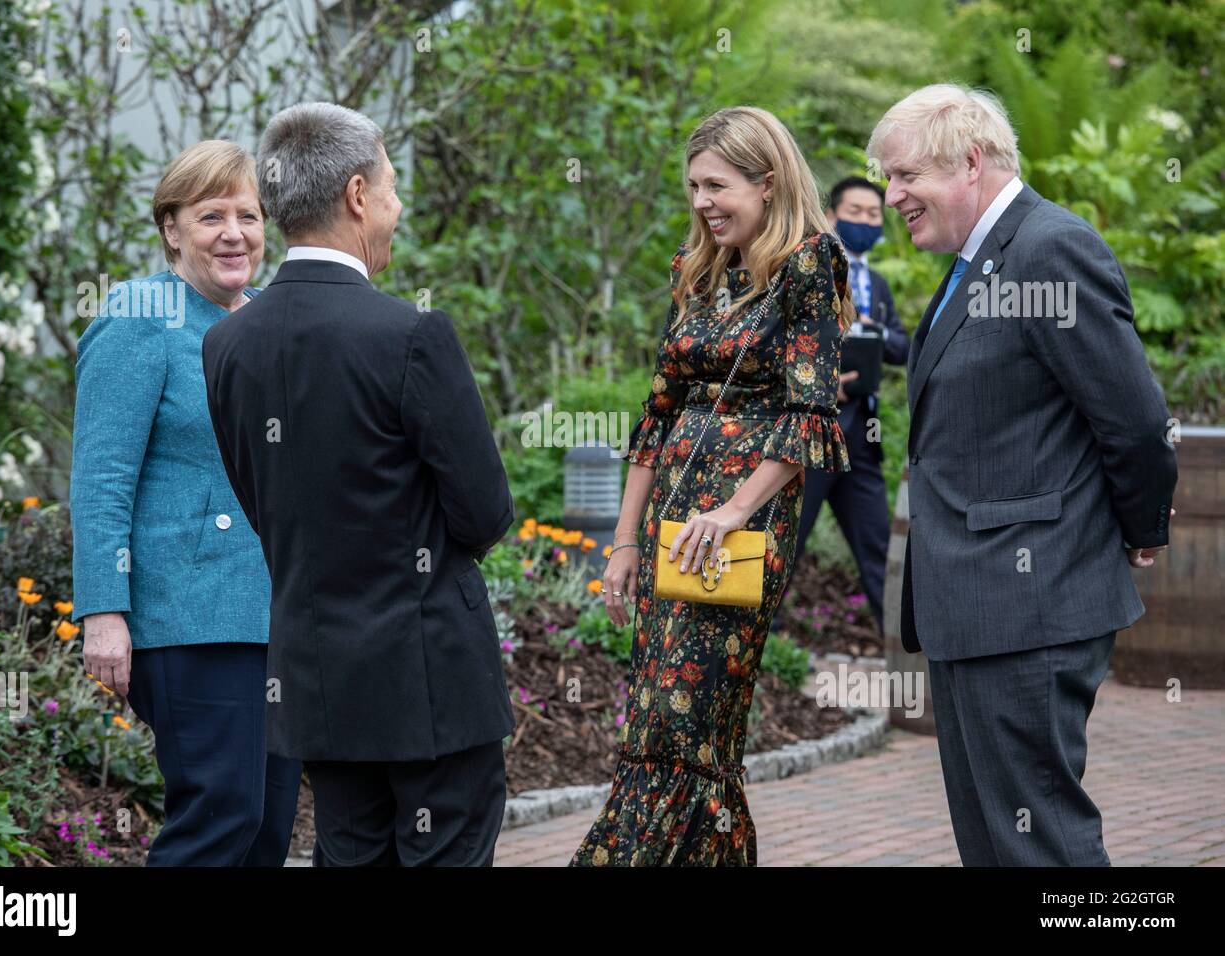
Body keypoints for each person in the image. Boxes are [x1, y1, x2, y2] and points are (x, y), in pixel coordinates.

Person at [870, 84, 1178, 865]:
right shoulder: (979, 261)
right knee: (997, 846)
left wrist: (1140, 528)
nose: (891, 195)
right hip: (976, 607)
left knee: (1042, 848)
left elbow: (1134, 419)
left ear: (970, 161)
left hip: (1028, 606)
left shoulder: (1048, 248)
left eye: (905, 175)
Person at [202, 102, 515, 867]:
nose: (397, 207)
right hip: (429, 676)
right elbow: (484, 514)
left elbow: (264, 505)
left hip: (317, 678)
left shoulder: (226, 343)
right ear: (355, 196)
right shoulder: (411, 334)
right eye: (391, 185)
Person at [573, 106, 851, 866]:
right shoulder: (698, 268)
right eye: (694, 186)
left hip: (742, 520)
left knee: (693, 717)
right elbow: (656, 417)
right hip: (675, 514)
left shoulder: (809, 264)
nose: (702, 202)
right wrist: (623, 541)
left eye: (718, 186)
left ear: (768, 182)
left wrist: (731, 512)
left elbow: (810, 419)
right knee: (656, 713)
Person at [70, 140, 301, 866]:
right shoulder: (139, 316)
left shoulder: (271, 320)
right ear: (171, 228)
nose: (235, 232)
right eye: (210, 216)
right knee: (219, 819)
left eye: (249, 215)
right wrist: (103, 610)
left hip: (275, 619)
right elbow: (101, 475)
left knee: (267, 828)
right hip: (187, 617)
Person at [793, 175, 910, 631]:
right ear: (830, 216)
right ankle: (760, 646)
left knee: (877, 543)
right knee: (788, 536)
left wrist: (870, 330)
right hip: (814, 431)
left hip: (863, 432)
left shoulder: (877, 286)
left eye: (873, 215)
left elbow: (903, 345)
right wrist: (820, 384)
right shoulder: (805, 271)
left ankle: (902, 647)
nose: (864, 221)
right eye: (855, 212)